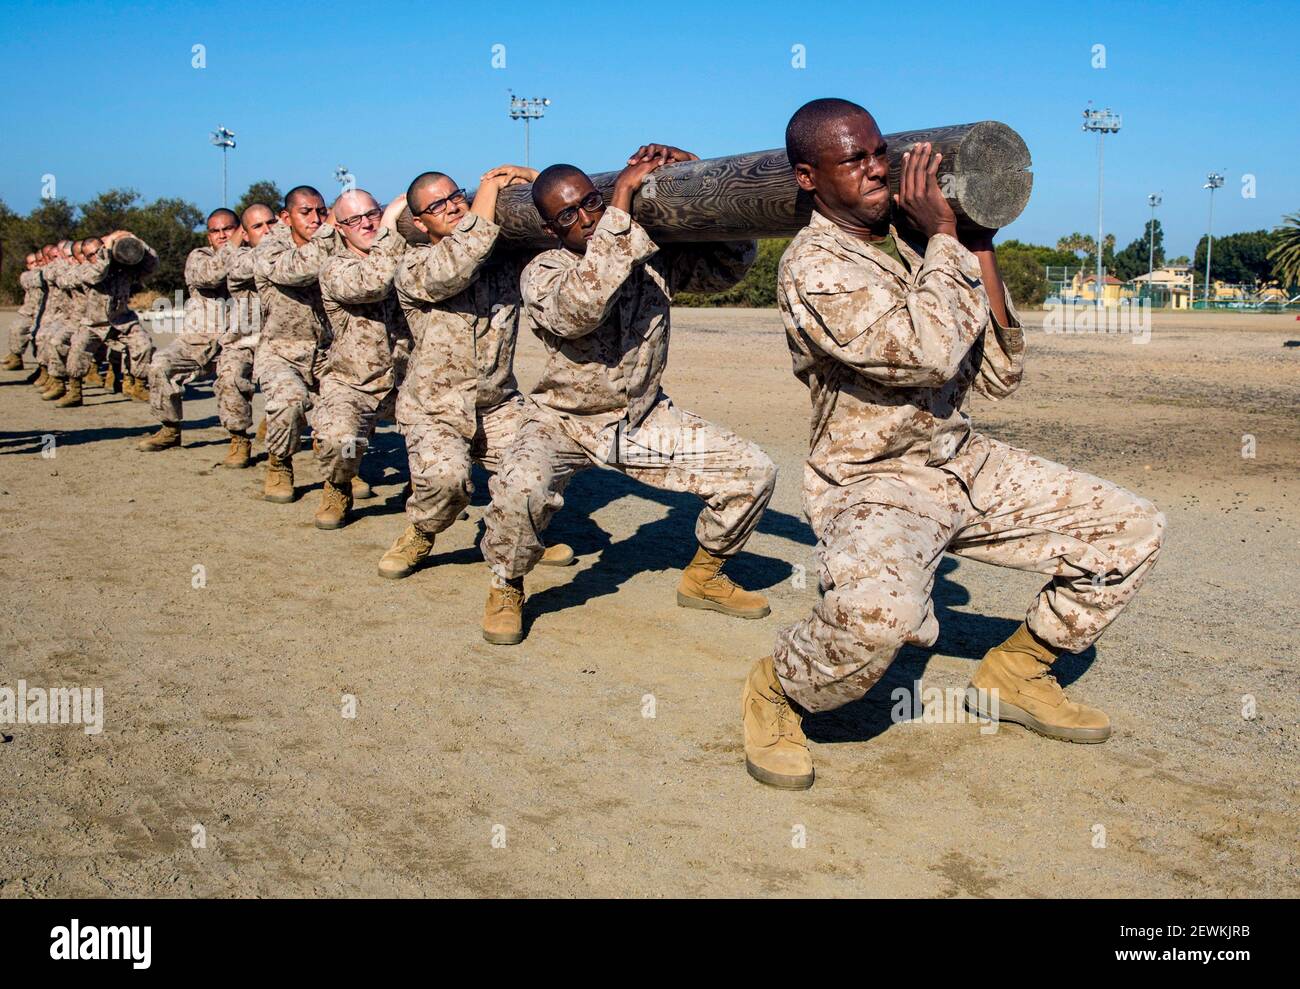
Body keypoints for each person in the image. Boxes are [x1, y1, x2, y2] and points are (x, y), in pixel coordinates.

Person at [742, 99, 1166, 790]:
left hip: (961, 460)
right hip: (876, 478)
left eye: (880, 151)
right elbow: (930, 353)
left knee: (1131, 528)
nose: (877, 169)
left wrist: (978, 241)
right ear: (810, 177)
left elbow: (999, 374)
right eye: (854, 160)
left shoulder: (917, 245)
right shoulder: (814, 265)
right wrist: (943, 235)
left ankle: (1017, 671)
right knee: (882, 616)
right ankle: (777, 688)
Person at [479, 145, 776, 645]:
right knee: (520, 486)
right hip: (563, 422)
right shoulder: (543, 271)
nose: (588, 220)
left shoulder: (643, 253)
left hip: (640, 420)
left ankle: (704, 576)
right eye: (568, 215)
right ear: (552, 230)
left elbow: (729, 265)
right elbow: (581, 309)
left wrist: (697, 176)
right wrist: (619, 204)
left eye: (592, 203)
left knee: (753, 471)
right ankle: (506, 584)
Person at [376, 165, 573, 578]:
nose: (451, 206)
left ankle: (519, 534)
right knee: (446, 481)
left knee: (541, 469)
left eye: (455, 196)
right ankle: (421, 532)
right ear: (419, 222)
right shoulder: (412, 268)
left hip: (496, 405)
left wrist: (532, 177)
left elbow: (560, 218)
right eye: (437, 204)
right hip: (435, 408)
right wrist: (487, 189)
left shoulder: (501, 259)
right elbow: (457, 264)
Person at [310, 189, 411, 528]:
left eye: (373, 213)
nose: (367, 223)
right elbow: (376, 281)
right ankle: (338, 485)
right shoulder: (335, 268)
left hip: (406, 382)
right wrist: (390, 223)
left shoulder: (406, 253)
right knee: (342, 441)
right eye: (355, 219)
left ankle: (423, 491)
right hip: (353, 383)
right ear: (340, 228)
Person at [252, 185, 334, 503]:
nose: (315, 218)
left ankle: (342, 472)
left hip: (327, 352)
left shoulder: (333, 243)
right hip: (280, 351)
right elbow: (300, 269)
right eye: (306, 212)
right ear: (286, 217)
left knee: (350, 405)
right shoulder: (269, 251)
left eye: (321, 211)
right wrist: (332, 231)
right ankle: (279, 463)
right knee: (289, 402)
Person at [139, 209, 240, 450]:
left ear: (239, 229)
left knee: (237, 378)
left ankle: (241, 439)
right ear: (208, 237)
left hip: (239, 341)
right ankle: (170, 429)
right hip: (196, 341)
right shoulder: (199, 257)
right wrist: (235, 245)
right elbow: (212, 275)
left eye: (228, 229)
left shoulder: (253, 255)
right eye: (215, 231)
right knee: (160, 364)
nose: (222, 235)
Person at [213, 203, 278, 468]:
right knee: (229, 376)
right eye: (257, 227)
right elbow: (248, 264)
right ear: (245, 234)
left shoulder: (295, 252)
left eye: (271, 223)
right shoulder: (240, 259)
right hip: (244, 338)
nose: (267, 231)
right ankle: (239, 437)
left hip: (281, 339)